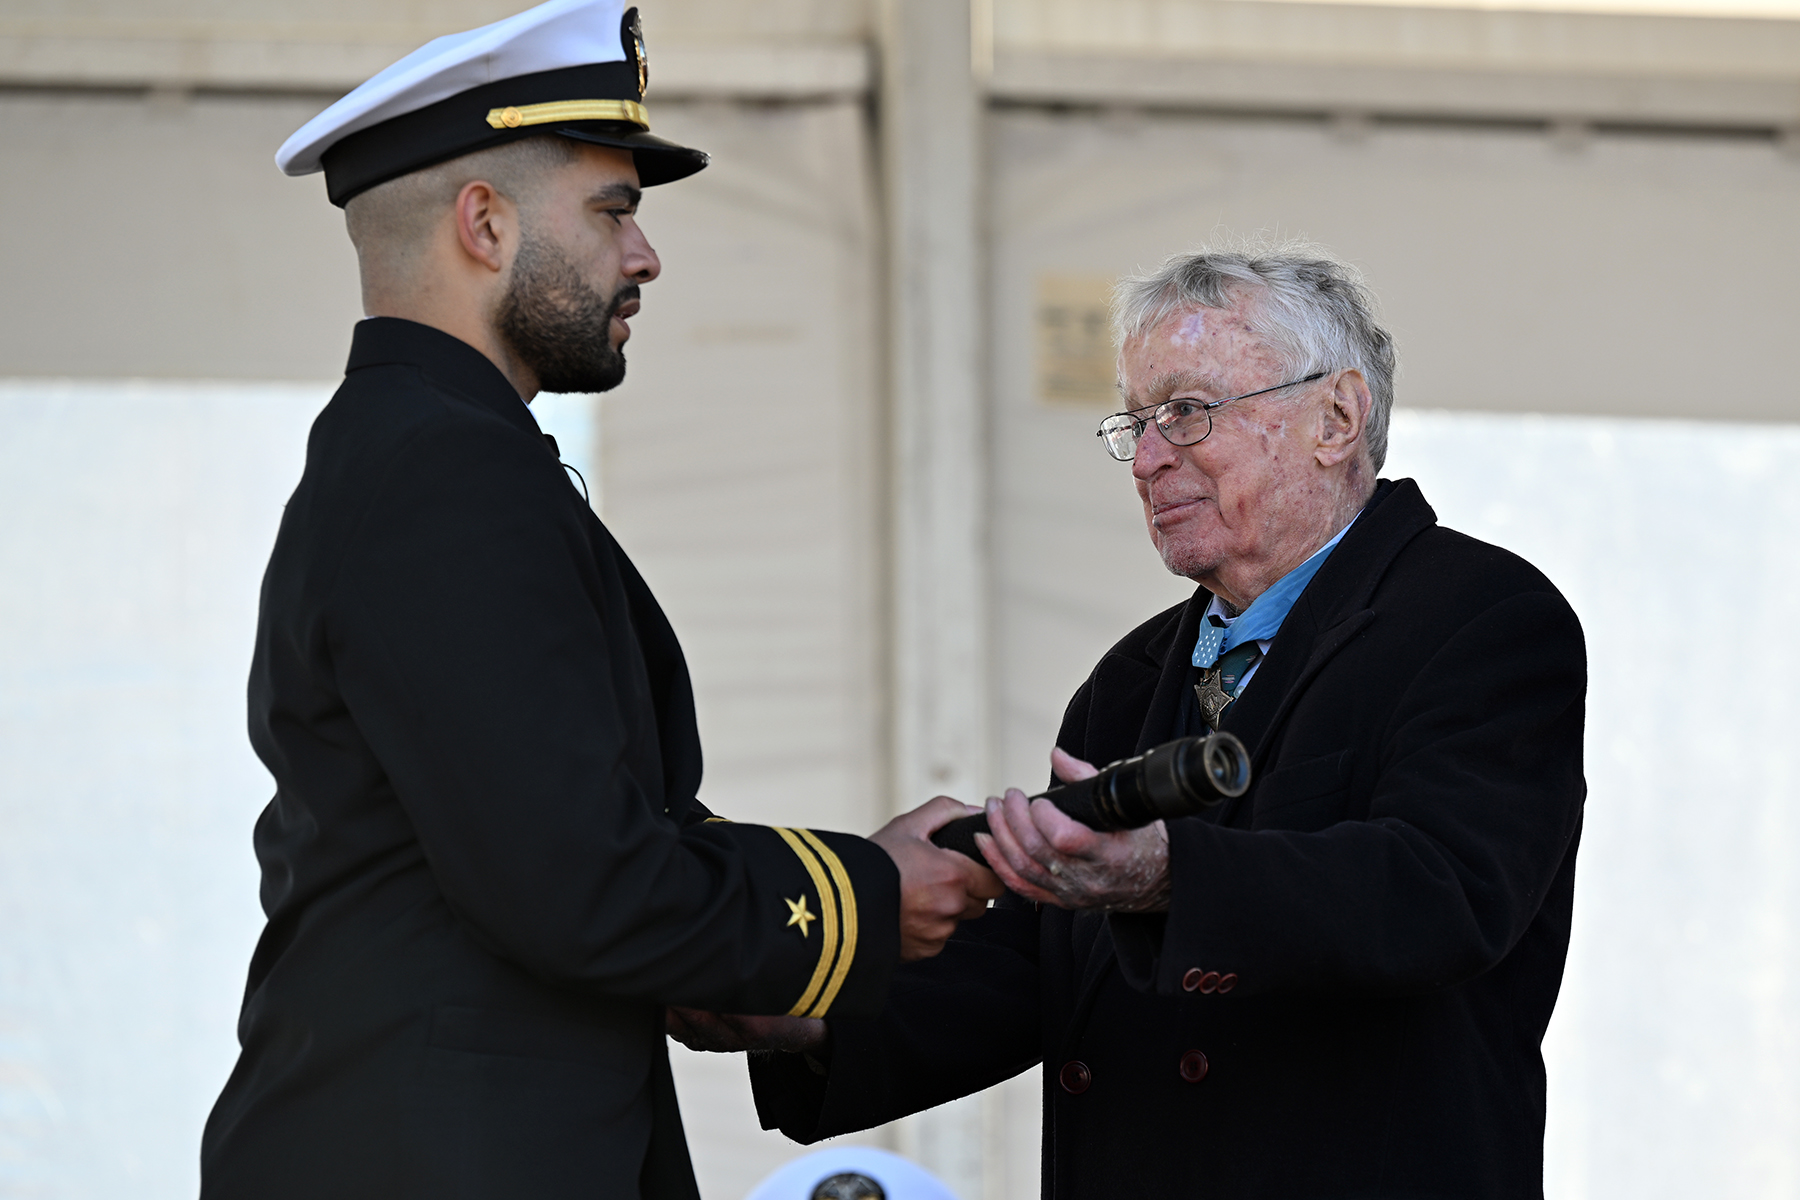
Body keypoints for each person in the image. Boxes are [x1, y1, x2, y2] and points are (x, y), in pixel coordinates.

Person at [198, 3, 999, 1197]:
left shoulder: (435, 452)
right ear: (484, 223)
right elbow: (580, 884)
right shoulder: (445, 473)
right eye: (614, 211)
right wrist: (863, 899)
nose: (644, 255)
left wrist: (837, 896)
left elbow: (558, 834)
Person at [683, 246, 1587, 1198]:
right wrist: (812, 1015)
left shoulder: (1480, 618)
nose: (1151, 458)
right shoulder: (1133, 675)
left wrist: (1168, 877)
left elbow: (1441, 891)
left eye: (1190, 413)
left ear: (1336, 417)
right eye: (1137, 422)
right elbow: (1043, 968)